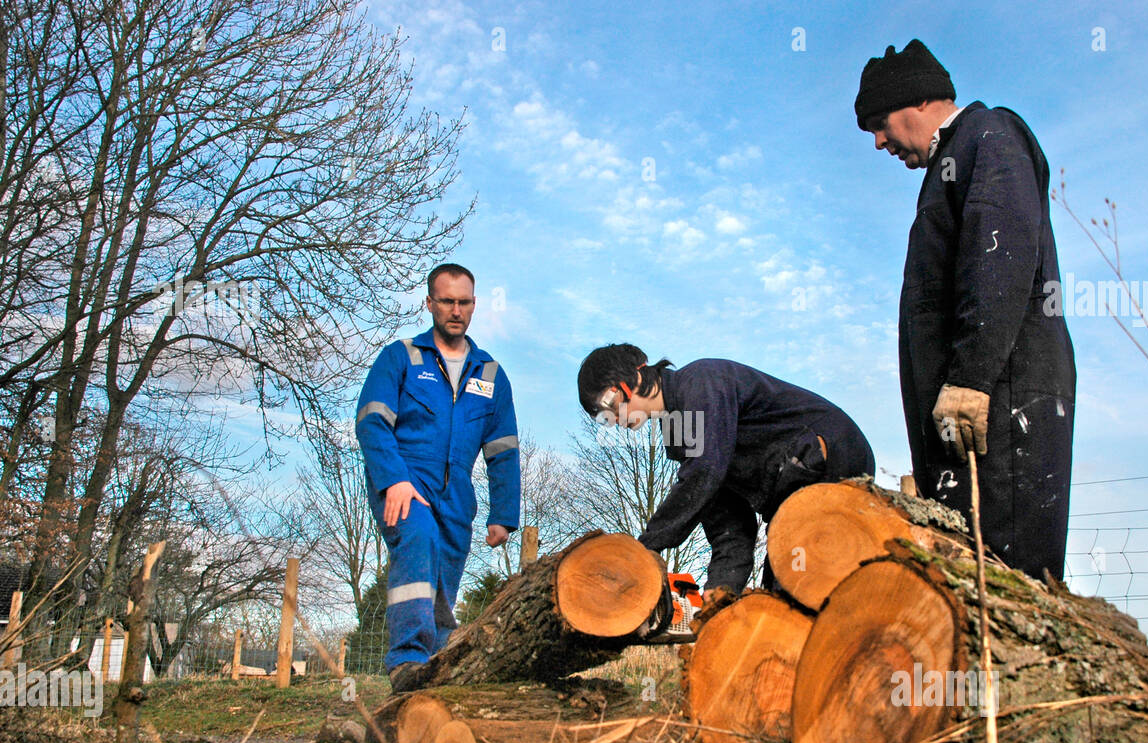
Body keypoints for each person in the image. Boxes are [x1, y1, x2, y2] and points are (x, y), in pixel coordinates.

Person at [854, 39, 1076, 581]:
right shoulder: (953, 162)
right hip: (973, 402)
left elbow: (998, 251)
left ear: (917, 102)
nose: (880, 141)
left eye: (879, 123)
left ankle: (1009, 668)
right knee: (966, 563)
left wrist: (972, 376)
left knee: (1006, 567)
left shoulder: (989, 135)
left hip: (1001, 398)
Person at [577, 344, 875, 598]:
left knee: (798, 587)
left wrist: (643, 549)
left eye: (609, 404)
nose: (614, 419)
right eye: (604, 418)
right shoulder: (677, 433)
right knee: (776, 596)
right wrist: (718, 595)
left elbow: (705, 473)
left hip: (832, 458)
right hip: (789, 498)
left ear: (633, 375)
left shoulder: (702, 381)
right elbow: (729, 526)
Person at [355, 263, 520, 692]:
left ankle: (438, 661)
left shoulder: (490, 374)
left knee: (443, 580)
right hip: (405, 479)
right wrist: (392, 479)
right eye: (446, 301)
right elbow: (371, 422)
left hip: (457, 493)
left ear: (474, 305)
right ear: (429, 303)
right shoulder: (402, 357)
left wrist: (503, 513)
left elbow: (503, 451)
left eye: (464, 302)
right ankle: (407, 662)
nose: (455, 310)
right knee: (419, 540)